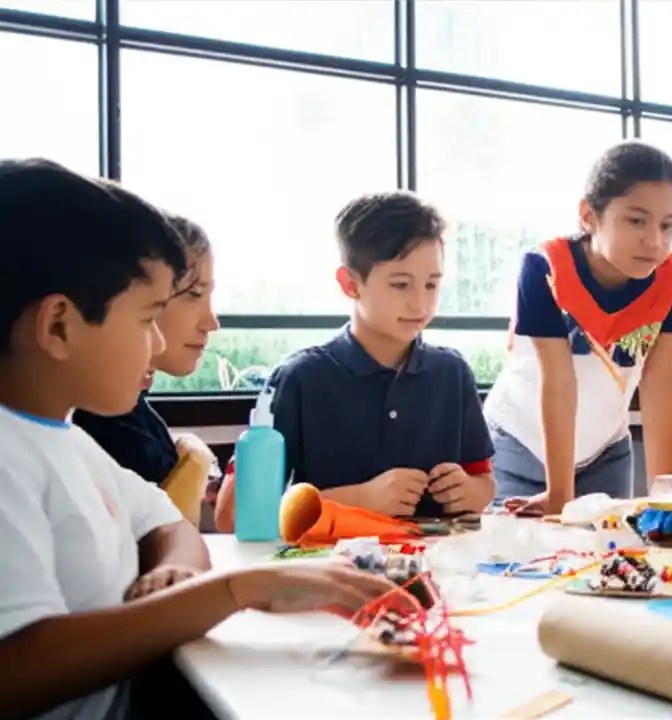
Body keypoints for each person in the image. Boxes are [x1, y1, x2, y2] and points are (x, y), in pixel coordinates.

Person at [0, 159, 401, 719]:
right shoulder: (10, 455)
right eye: (146, 321)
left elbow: (167, 524)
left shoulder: (69, 440)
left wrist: (176, 572)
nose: (158, 341)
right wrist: (235, 591)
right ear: (59, 326)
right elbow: (16, 667)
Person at [227, 191, 494, 527]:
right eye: (400, 285)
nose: (420, 304)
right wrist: (361, 499)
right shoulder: (300, 378)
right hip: (329, 569)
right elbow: (234, 514)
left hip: (436, 568)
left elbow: (484, 483)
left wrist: (469, 491)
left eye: (431, 285)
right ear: (350, 284)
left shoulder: (452, 373)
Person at [485, 141, 672, 516]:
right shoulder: (545, 266)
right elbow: (559, 383)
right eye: (636, 220)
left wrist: (664, 496)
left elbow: (660, 384)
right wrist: (560, 495)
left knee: (611, 564)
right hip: (518, 446)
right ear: (588, 215)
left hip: (605, 452)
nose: (655, 240)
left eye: (668, 225)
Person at [75, 213, 221, 524]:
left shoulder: (134, 412)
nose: (212, 322)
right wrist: (193, 463)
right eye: (194, 295)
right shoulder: (104, 426)